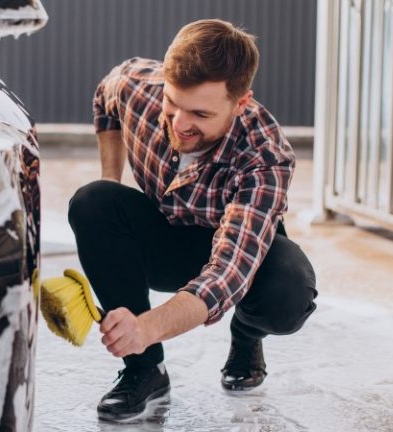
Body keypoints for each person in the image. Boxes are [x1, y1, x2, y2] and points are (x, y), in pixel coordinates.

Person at [68, 19, 318, 422]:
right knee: (93, 201)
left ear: (240, 103)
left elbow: (228, 272)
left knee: (288, 291)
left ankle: (246, 335)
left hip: (235, 250)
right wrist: (110, 177)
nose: (180, 124)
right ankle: (145, 369)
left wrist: (146, 327)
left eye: (200, 113)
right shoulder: (137, 85)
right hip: (164, 236)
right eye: (173, 103)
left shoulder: (265, 155)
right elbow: (104, 98)